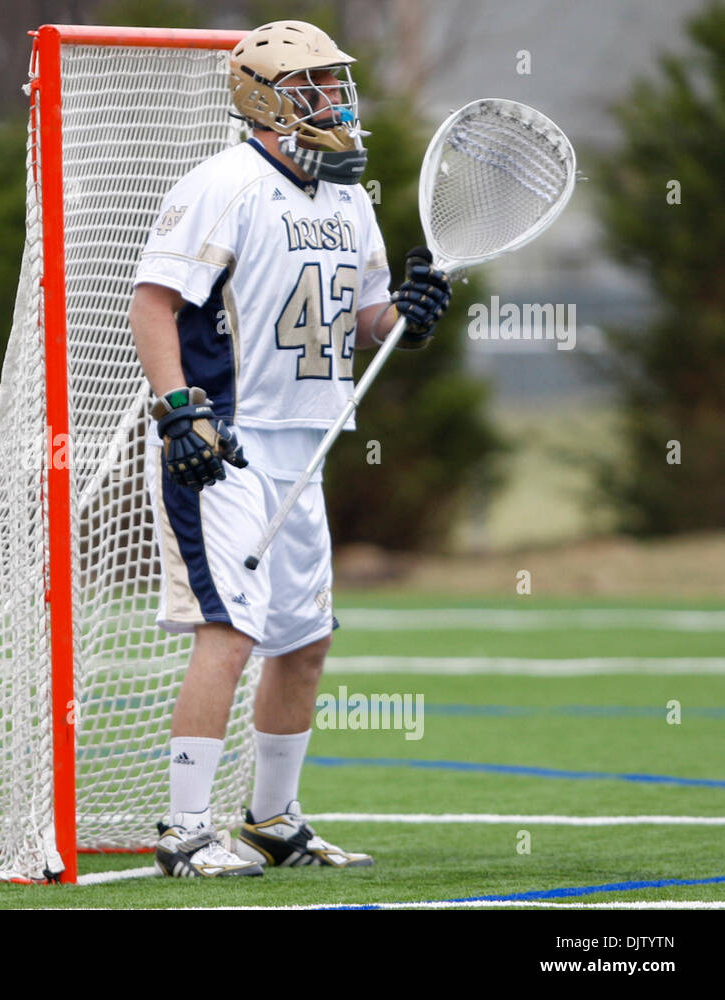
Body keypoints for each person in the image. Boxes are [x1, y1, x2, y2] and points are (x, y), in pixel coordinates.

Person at [129, 19, 452, 877]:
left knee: (303, 639)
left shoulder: (346, 192)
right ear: (265, 98)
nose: (335, 100)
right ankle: (186, 828)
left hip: (304, 446)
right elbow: (154, 301)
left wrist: (406, 318)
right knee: (229, 630)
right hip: (225, 441)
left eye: (335, 84)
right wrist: (177, 412)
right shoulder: (224, 183)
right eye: (313, 86)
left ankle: (273, 819)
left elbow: (365, 317)